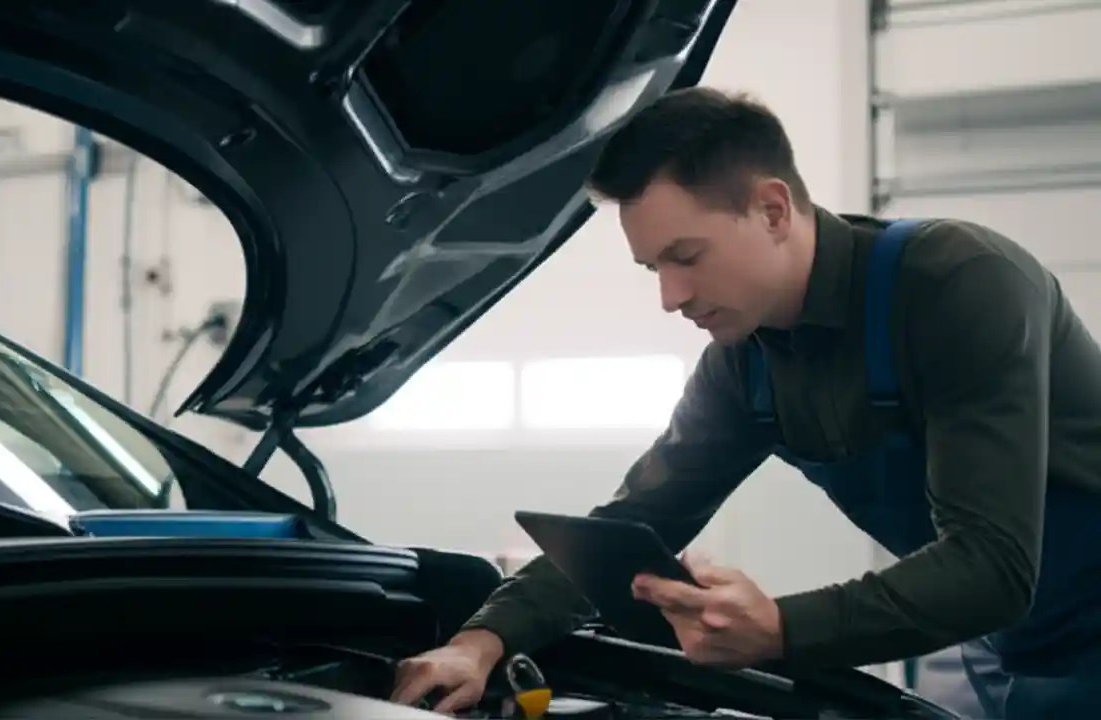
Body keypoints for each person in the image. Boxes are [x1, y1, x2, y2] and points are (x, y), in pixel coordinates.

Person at [389, 87, 1101, 717]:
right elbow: (637, 520)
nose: (670, 297)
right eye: (652, 269)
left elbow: (993, 564)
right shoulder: (740, 369)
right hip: (1016, 646)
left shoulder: (959, 284)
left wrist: (780, 628)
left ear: (772, 209)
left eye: (686, 257)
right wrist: (482, 640)